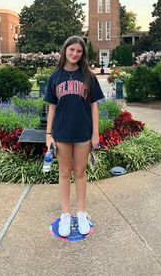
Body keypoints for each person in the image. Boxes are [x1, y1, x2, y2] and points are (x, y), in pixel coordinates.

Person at [43, 36, 104, 237]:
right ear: (65, 50)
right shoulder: (55, 77)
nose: (75, 54)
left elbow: (94, 105)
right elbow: (52, 108)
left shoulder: (88, 76)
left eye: (79, 51)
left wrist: (95, 133)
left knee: (80, 173)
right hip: (61, 133)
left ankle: (81, 212)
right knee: (63, 173)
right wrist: (48, 134)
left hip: (83, 133)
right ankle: (66, 214)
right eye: (71, 50)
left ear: (82, 54)